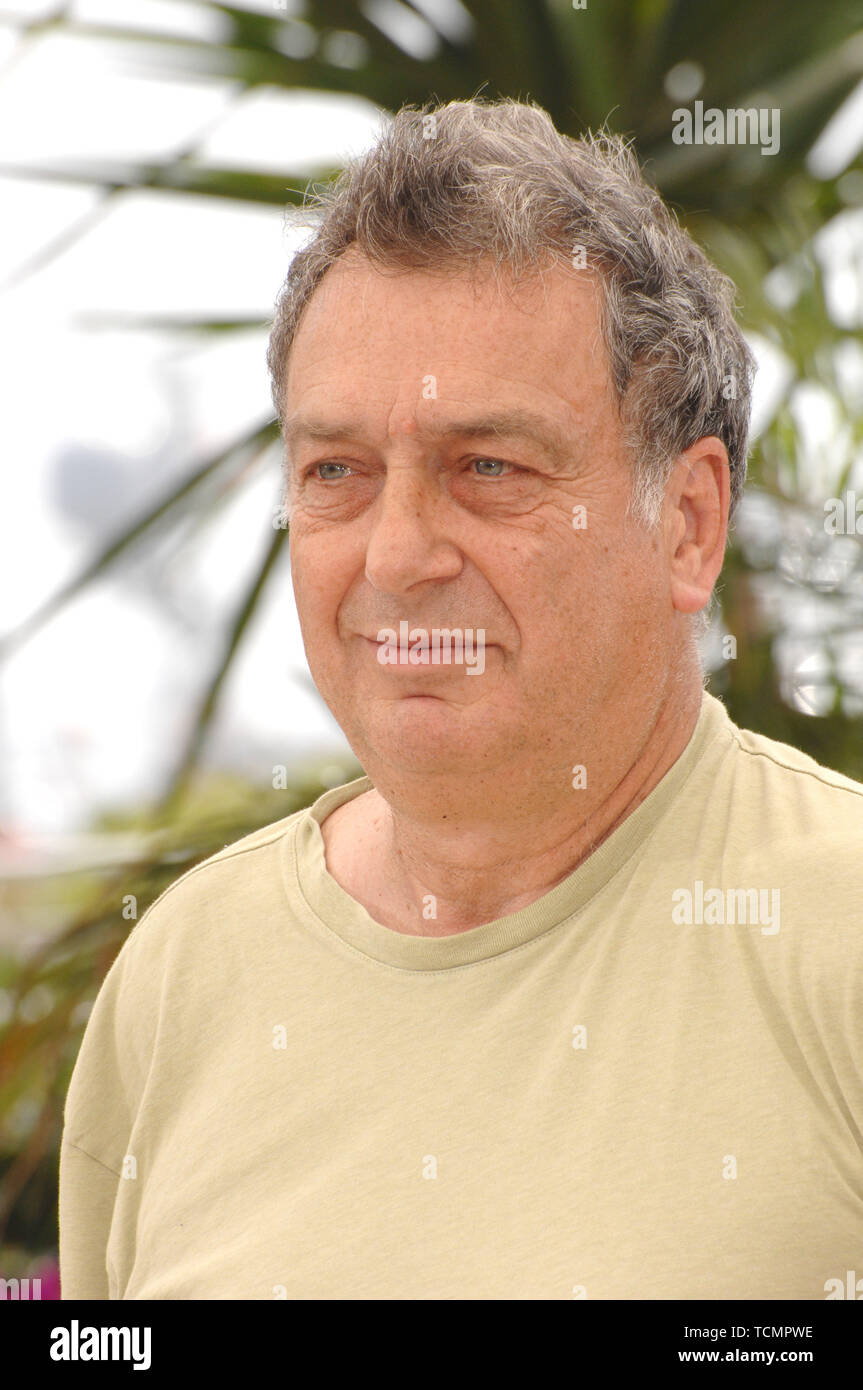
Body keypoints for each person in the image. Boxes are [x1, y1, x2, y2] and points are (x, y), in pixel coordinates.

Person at [59, 98, 863, 1300]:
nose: (394, 555)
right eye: (336, 472)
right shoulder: (186, 973)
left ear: (687, 524)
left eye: (488, 468)